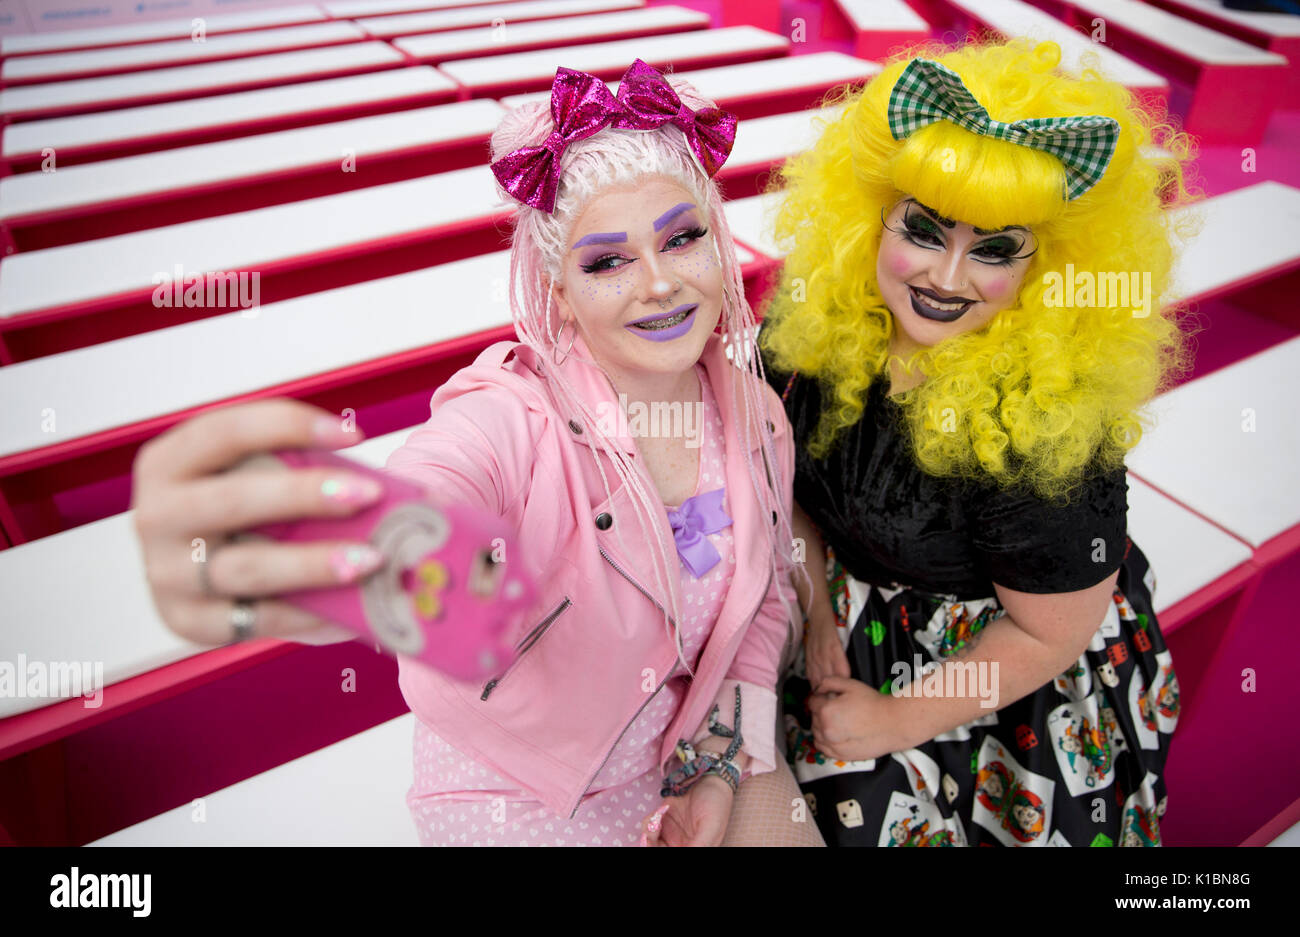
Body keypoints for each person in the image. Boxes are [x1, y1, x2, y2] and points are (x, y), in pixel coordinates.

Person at [131, 59, 826, 846]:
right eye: (608, 261)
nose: (660, 283)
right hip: (519, 787)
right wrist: (350, 549)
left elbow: (762, 608)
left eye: (682, 238)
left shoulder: (758, 416)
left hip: (689, 750)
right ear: (560, 293)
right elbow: (443, 481)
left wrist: (717, 767)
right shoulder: (514, 411)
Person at [758, 39, 1195, 846]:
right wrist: (817, 612)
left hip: (1002, 672)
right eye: (924, 230)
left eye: (994, 249)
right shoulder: (814, 331)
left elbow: (1048, 633)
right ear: (869, 217)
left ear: (1047, 266)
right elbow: (787, 481)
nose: (947, 277)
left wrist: (896, 719)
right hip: (844, 619)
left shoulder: (1048, 432)